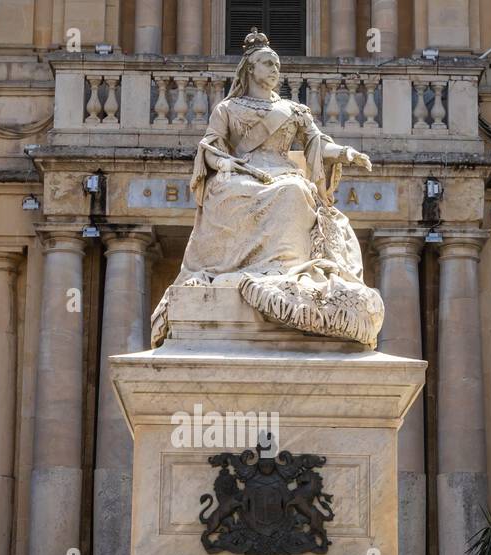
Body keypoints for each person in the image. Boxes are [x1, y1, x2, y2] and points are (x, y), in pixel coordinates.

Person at [148, 27, 381, 349]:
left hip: (282, 171)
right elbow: (211, 148)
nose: (274, 70)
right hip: (243, 171)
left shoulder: (296, 111)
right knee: (227, 189)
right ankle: (238, 267)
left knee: (294, 192)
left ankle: (283, 269)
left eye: (275, 64)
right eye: (266, 63)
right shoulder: (227, 109)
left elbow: (317, 144)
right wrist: (224, 164)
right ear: (250, 69)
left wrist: (345, 153)